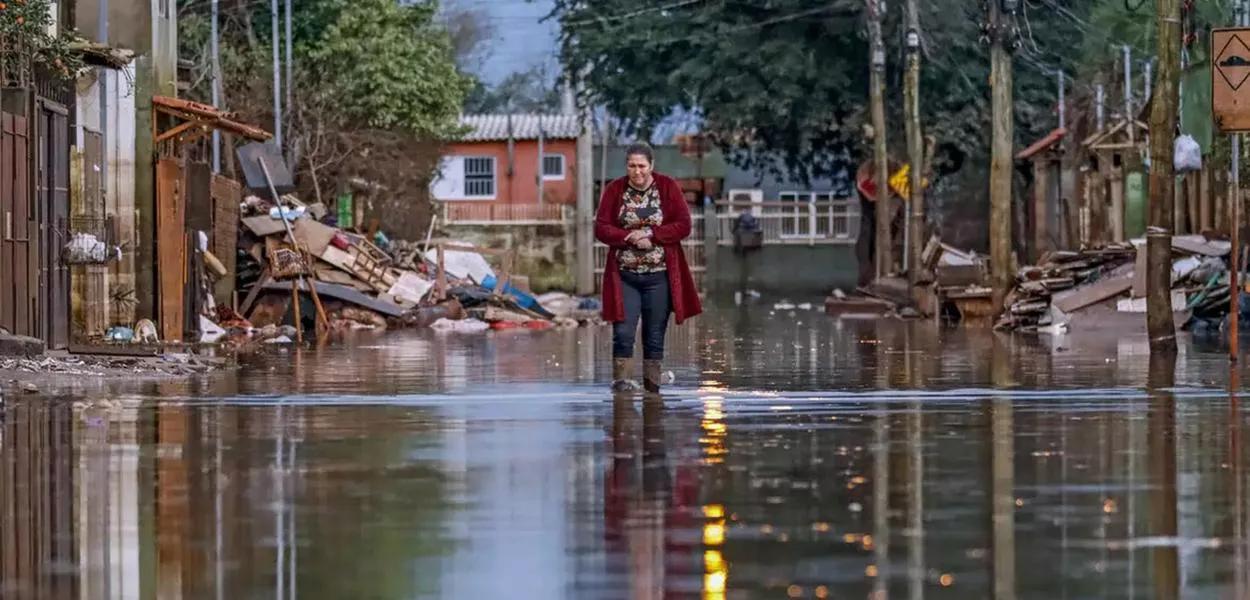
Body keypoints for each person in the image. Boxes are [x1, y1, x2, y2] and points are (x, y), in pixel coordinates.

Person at [596, 143, 702, 393]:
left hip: (660, 276)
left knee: (654, 336)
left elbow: (683, 225)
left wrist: (651, 235)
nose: (637, 171)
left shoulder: (667, 187)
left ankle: (652, 388)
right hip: (625, 276)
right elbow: (601, 227)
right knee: (623, 332)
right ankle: (622, 386)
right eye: (632, 165)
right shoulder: (615, 190)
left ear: (651, 166)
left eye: (642, 166)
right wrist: (629, 237)